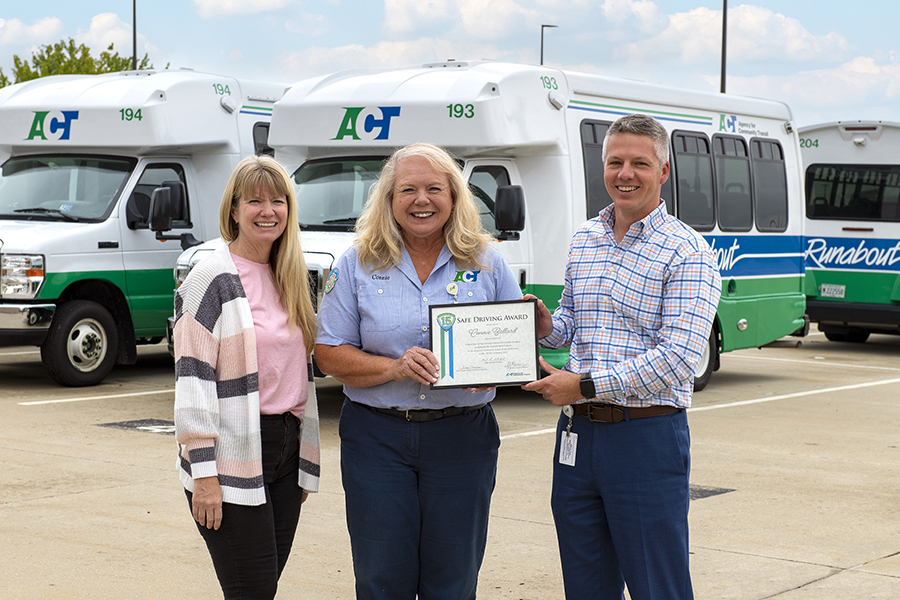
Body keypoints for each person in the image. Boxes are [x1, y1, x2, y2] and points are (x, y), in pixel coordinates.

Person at [522, 113, 721, 600]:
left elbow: (677, 358)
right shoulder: (584, 238)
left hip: (646, 438)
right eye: (615, 162)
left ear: (664, 172)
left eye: (639, 163)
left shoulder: (687, 252)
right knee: (585, 584)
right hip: (576, 438)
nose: (624, 173)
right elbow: (572, 326)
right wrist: (546, 325)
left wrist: (584, 385)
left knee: (658, 586)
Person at [315, 143, 522, 600]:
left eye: (434, 188)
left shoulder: (487, 261)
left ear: (454, 197)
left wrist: (496, 368)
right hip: (377, 439)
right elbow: (328, 352)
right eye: (407, 189)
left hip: (462, 438)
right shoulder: (357, 262)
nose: (421, 199)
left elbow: (514, 342)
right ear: (388, 200)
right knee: (380, 576)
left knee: (453, 578)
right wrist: (393, 367)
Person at [173, 154, 320, 600]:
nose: (267, 210)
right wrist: (204, 475)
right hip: (231, 452)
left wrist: (301, 463)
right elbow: (193, 380)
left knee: (262, 587)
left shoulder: (292, 275)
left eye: (278, 200)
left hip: (285, 451)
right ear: (233, 209)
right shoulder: (210, 278)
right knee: (250, 589)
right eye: (254, 200)